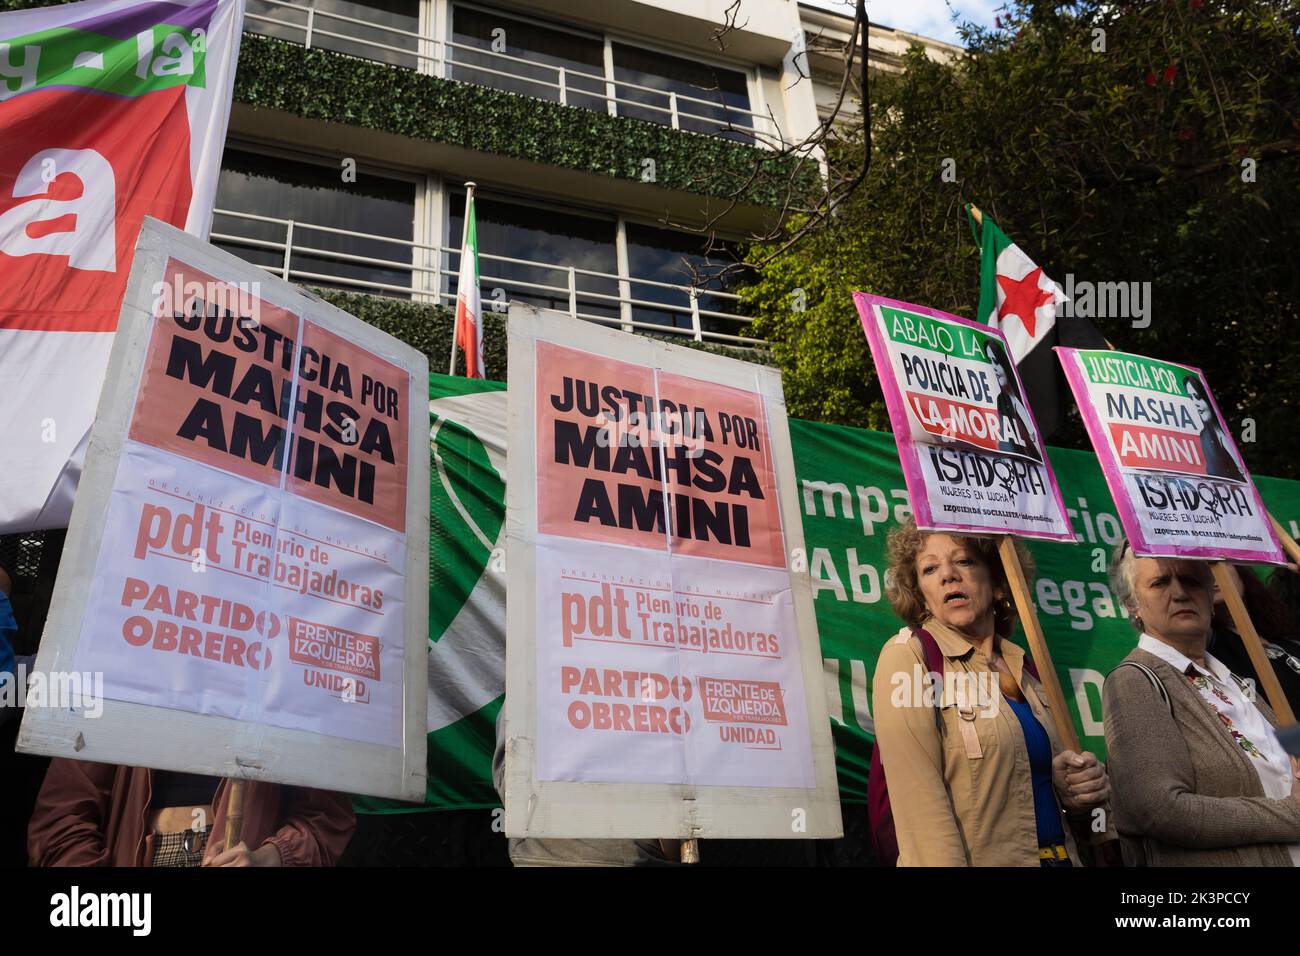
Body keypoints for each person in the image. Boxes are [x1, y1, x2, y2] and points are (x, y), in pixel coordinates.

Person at [871, 519, 1111, 866]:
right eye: (929, 569)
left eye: (964, 561)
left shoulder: (1028, 670)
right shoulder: (907, 657)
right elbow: (921, 816)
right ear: (920, 592)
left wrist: (1076, 794)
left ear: (998, 582)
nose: (948, 575)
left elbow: (1075, 818)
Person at [1103, 542, 1300, 866]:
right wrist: (1290, 815)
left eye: (1192, 581)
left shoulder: (1231, 680)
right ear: (1132, 604)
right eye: (1160, 582)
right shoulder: (1134, 680)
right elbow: (1162, 810)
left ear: (1211, 594)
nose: (1180, 593)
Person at [28, 760, 356, 866]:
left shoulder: (285, 679)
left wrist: (272, 856)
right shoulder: (119, 663)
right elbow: (63, 818)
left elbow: (325, 817)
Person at [1209, 563, 1300, 716]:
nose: (1213, 576)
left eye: (1217, 564)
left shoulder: (1285, 636)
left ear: (1239, 571)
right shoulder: (1210, 646)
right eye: (1201, 571)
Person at [983, 340, 1042, 463]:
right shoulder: (1001, 401)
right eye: (990, 362)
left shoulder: (1026, 395)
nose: (993, 368)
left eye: (996, 362)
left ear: (1004, 363)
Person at [1183, 374, 1245, 483]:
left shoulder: (1236, 430)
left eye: (1197, 397)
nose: (1195, 404)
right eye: (1191, 398)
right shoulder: (1205, 438)